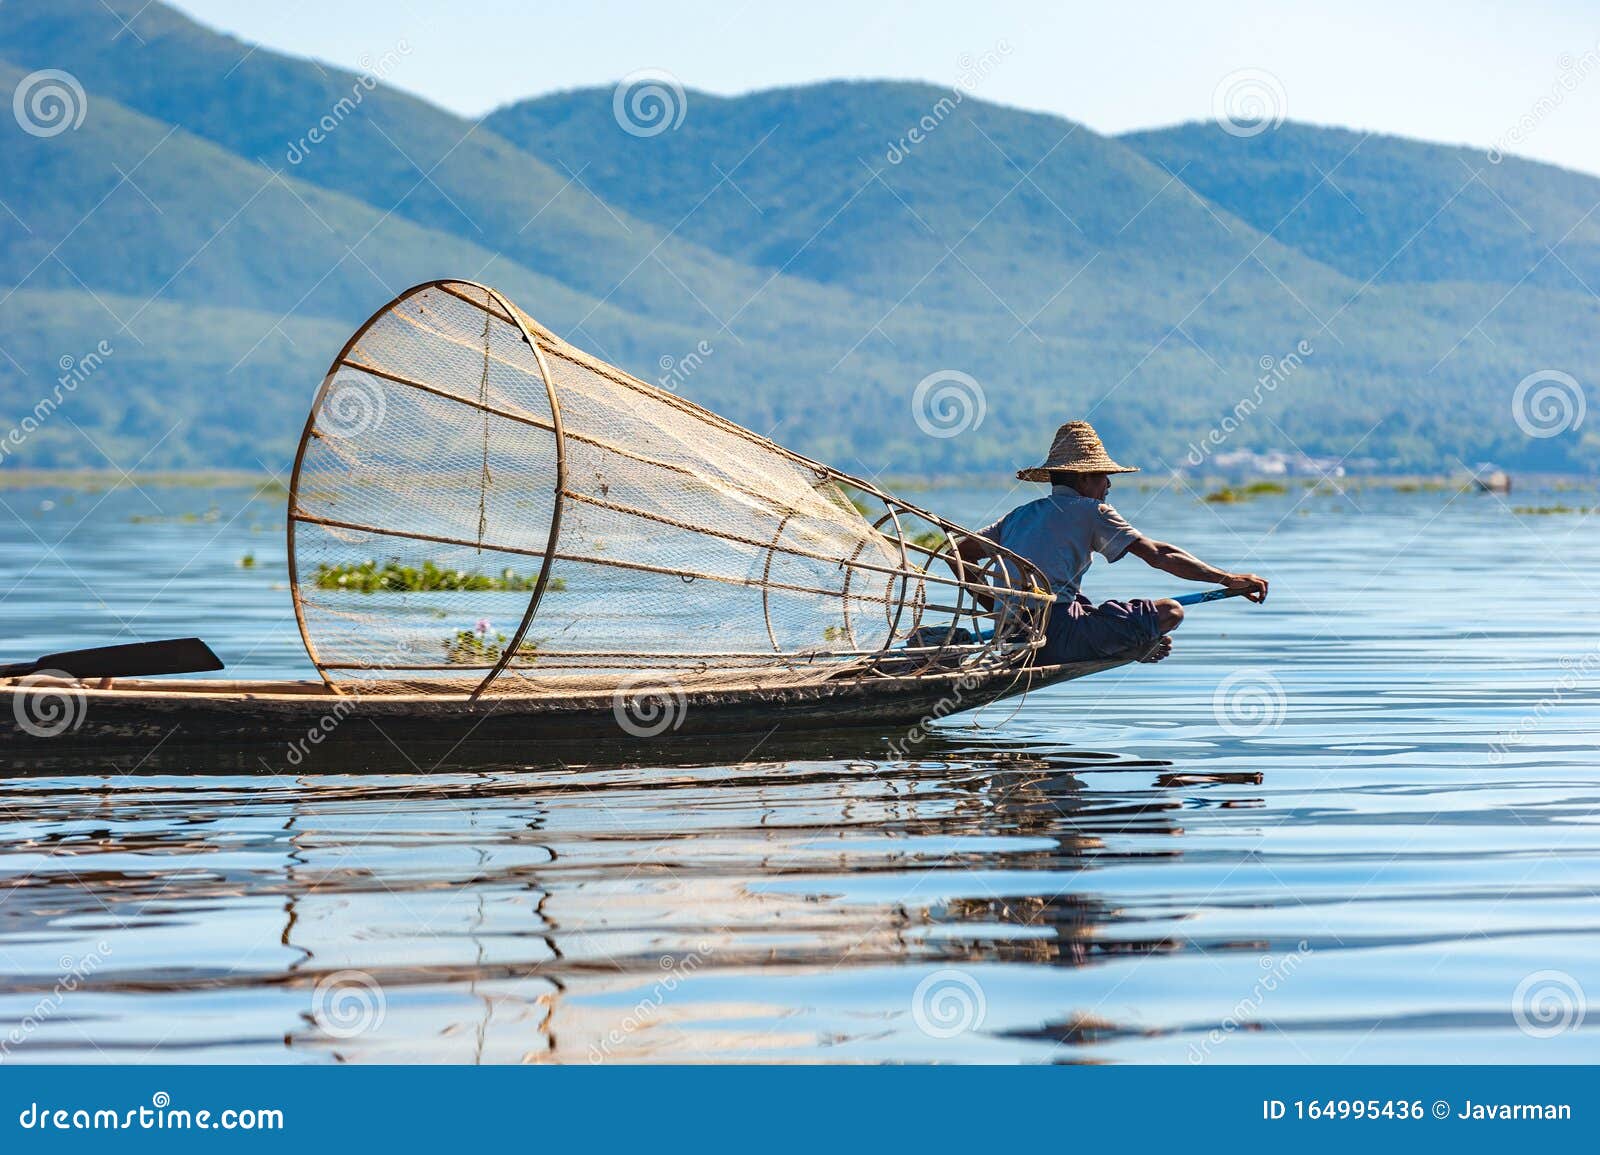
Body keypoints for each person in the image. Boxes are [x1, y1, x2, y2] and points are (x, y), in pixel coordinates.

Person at [956, 421, 1268, 664]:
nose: (1108, 485)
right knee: (1170, 613)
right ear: (1084, 479)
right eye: (1104, 476)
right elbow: (1159, 555)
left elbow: (957, 553)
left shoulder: (1019, 515)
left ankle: (1136, 644)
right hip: (1055, 638)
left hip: (1013, 638)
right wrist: (1227, 579)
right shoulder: (1093, 511)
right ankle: (1135, 647)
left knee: (1084, 605)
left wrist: (1001, 614)